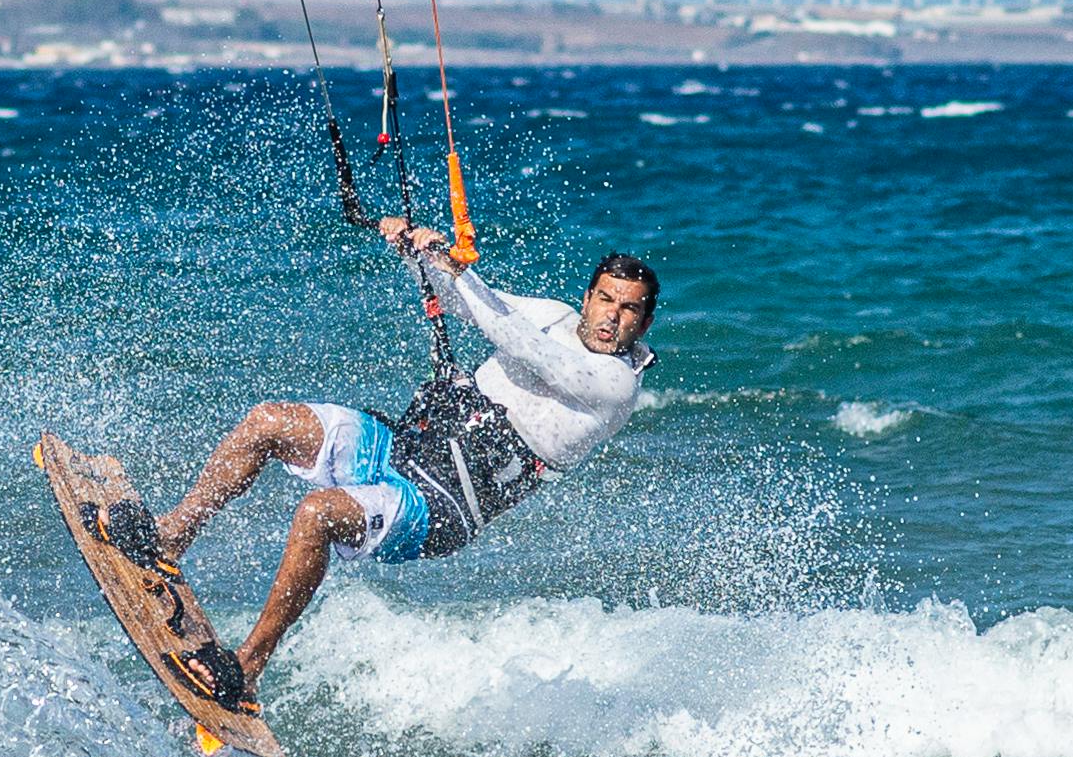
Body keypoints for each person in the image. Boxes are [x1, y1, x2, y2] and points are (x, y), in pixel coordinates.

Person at [103, 218, 659, 705]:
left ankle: (247, 667)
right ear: (588, 297)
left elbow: (521, 347)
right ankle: (171, 535)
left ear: (644, 323)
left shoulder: (614, 385)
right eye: (607, 299)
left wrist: (456, 269)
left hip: (441, 505)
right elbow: (472, 305)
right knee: (267, 422)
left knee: (317, 514)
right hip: (405, 448)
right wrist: (424, 255)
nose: (614, 316)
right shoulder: (554, 316)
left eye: (630, 309)